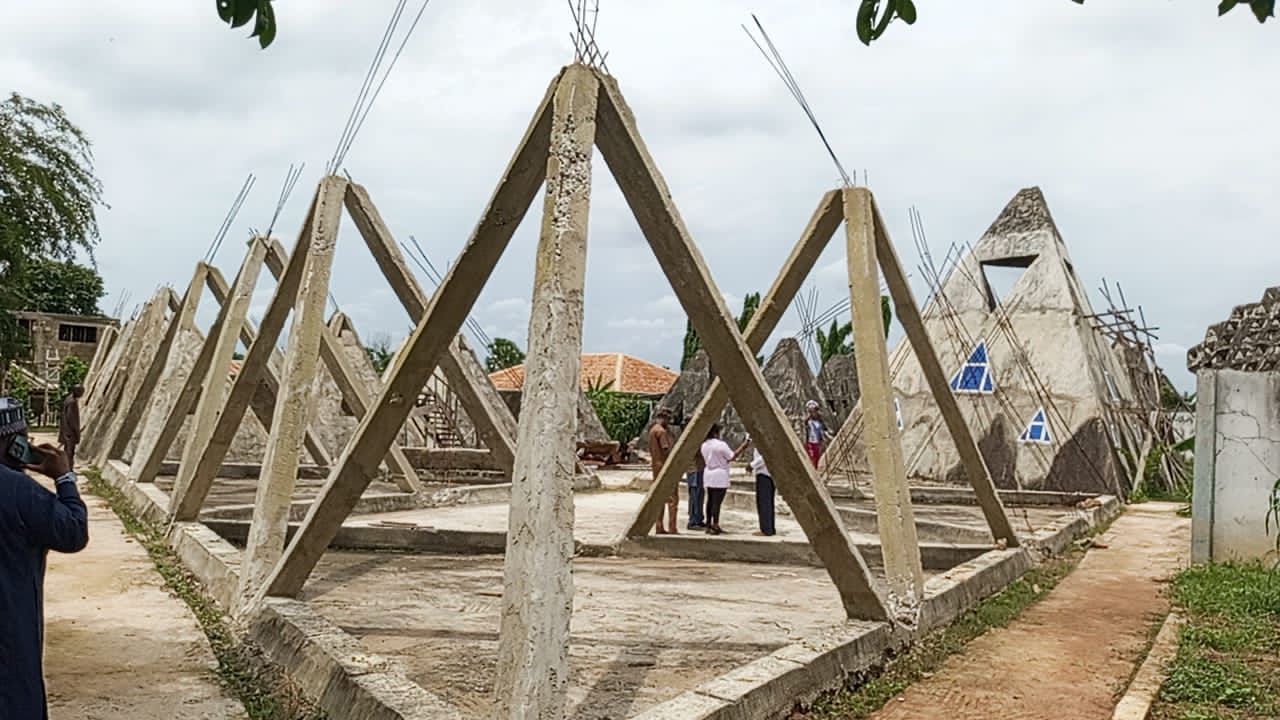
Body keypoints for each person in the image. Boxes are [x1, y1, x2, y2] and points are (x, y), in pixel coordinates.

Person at [0, 397, 89, 719]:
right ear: (11, 442)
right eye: (24, 438)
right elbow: (73, 532)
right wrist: (65, 479)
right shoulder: (18, 490)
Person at [699, 424, 749, 535]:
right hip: (720, 474)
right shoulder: (721, 445)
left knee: (710, 500)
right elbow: (732, 456)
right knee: (717, 502)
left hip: (709, 473)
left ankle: (708, 523)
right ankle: (715, 524)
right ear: (716, 433)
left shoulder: (704, 445)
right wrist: (743, 446)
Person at [648, 409, 679, 535]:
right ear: (664, 418)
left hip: (656, 467)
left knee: (659, 498)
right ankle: (672, 527)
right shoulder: (661, 432)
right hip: (665, 467)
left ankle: (659, 525)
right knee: (673, 498)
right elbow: (666, 449)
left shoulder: (652, 430)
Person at [750, 446, 775, 536]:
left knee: (764, 502)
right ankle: (770, 527)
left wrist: (751, 465)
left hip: (764, 473)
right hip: (767, 473)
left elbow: (764, 457)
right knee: (768, 502)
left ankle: (766, 529)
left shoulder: (761, 444)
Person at [59, 384, 83, 470]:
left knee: (67, 451)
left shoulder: (68, 399)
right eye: (80, 391)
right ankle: (68, 469)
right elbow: (72, 419)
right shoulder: (72, 402)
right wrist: (77, 432)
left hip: (66, 430)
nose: (82, 394)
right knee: (70, 452)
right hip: (70, 432)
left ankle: (67, 468)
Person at [803, 400, 829, 467]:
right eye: (811, 411)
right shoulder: (808, 421)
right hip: (810, 443)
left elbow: (823, 430)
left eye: (814, 411)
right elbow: (805, 424)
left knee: (816, 458)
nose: (813, 413)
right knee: (812, 458)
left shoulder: (819, 422)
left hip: (817, 443)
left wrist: (823, 439)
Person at [686, 449, 706, 530]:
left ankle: (698, 519)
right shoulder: (694, 442)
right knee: (695, 497)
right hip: (694, 470)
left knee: (699, 496)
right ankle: (693, 521)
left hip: (699, 469)